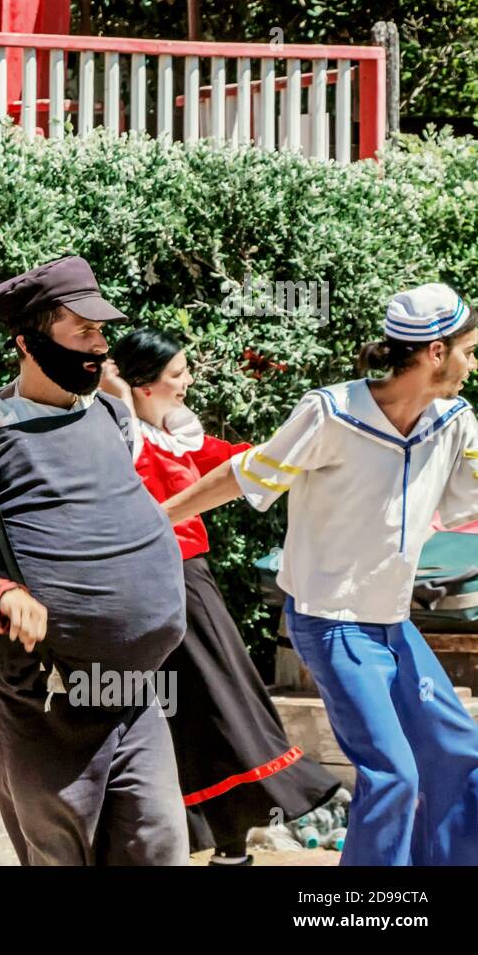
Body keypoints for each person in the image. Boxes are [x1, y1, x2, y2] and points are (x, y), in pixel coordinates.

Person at [163, 283, 478, 866]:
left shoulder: (455, 421)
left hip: (392, 624)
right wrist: (156, 519)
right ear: (436, 352)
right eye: (469, 350)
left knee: (460, 753)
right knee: (394, 774)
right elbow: (246, 474)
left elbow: (468, 504)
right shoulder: (330, 412)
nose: (472, 363)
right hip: (331, 624)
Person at [0, 255, 189, 866]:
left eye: (101, 331)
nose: (101, 345)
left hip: (135, 693)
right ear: (29, 342)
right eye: (84, 332)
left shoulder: (111, 415)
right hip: (47, 708)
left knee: (159, 847)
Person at [107, 327, 341, 865]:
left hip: (188, 577)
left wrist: (307, 456)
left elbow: (238, 460)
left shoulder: (174, 432)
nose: (188, 381)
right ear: (143, 384)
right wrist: (118, 397)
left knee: (210, 700)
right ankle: (254, 816)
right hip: (167, 580)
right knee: (214, 698)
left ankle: (228, 841)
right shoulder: (120, 436)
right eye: (177, 374)